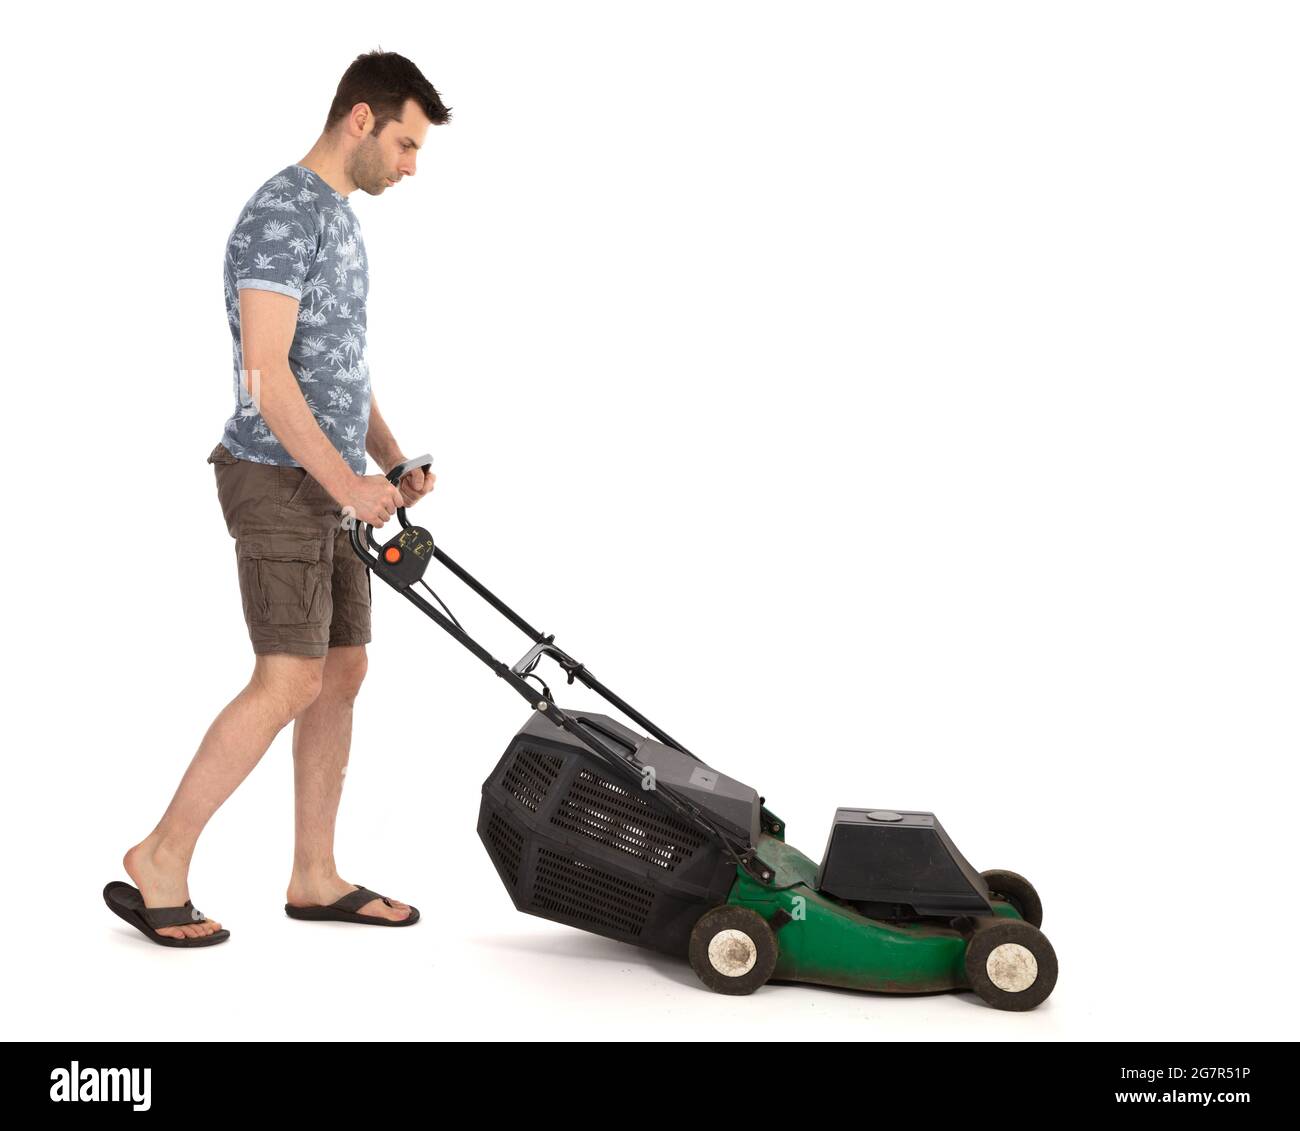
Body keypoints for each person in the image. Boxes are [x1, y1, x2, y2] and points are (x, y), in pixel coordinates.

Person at [104, 50, 452, 947]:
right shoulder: (279, 215)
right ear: (361, 120)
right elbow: (267, 378)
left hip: (331, 487)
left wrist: (390, 459)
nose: (412, 167)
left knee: (342, 671)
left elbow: (337, 368)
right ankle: (162, 857)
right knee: (290, 675)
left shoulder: (342, 221)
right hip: (275, 480)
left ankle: (313, 874)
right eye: (408, 144)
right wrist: (347, 484)